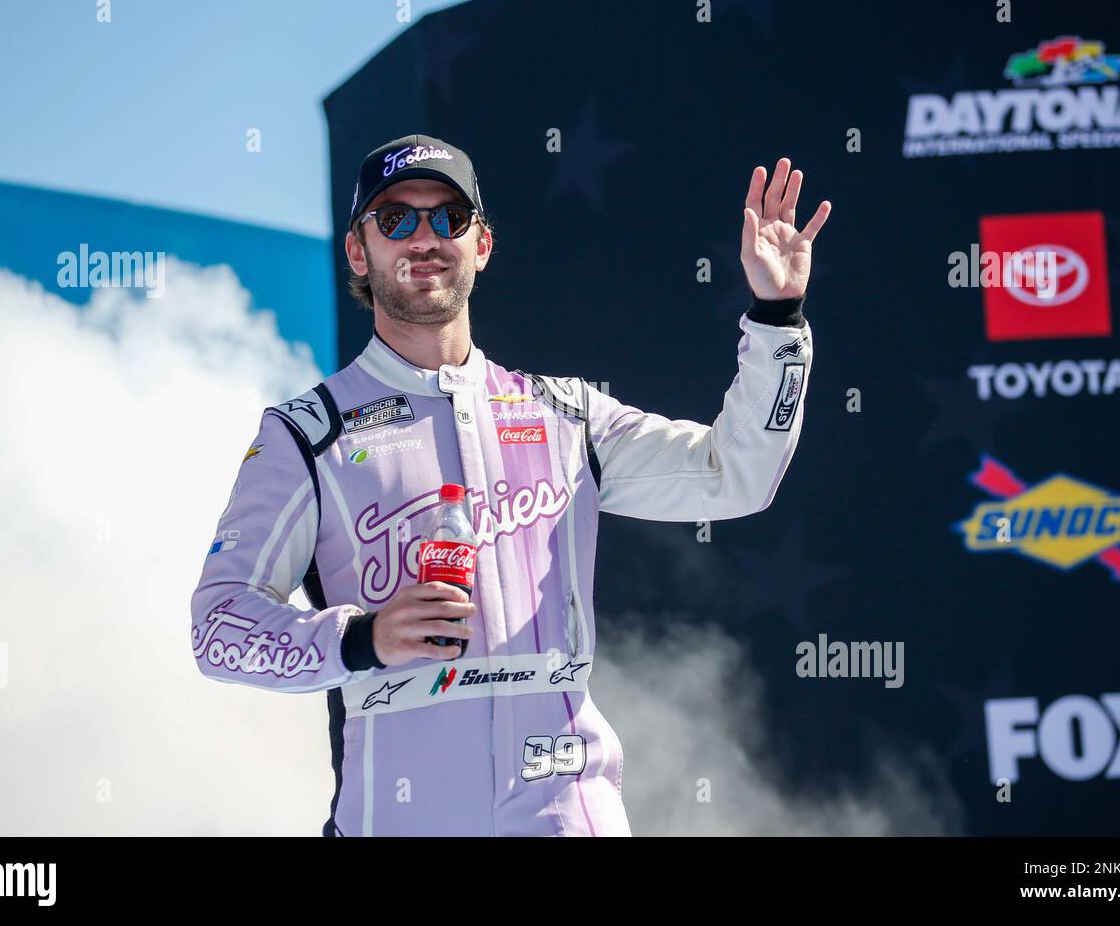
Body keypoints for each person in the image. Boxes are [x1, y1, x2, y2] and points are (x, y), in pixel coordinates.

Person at [189, 133, 830, 836]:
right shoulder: (308, 434)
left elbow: (734, 476)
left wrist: (777, 318)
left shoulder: (566, 415)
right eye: (396, 219)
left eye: (449, 218)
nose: (424, 237)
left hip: (568, 813)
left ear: (482, 245)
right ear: (357, 252)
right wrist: (363, 637)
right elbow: (217, 629)